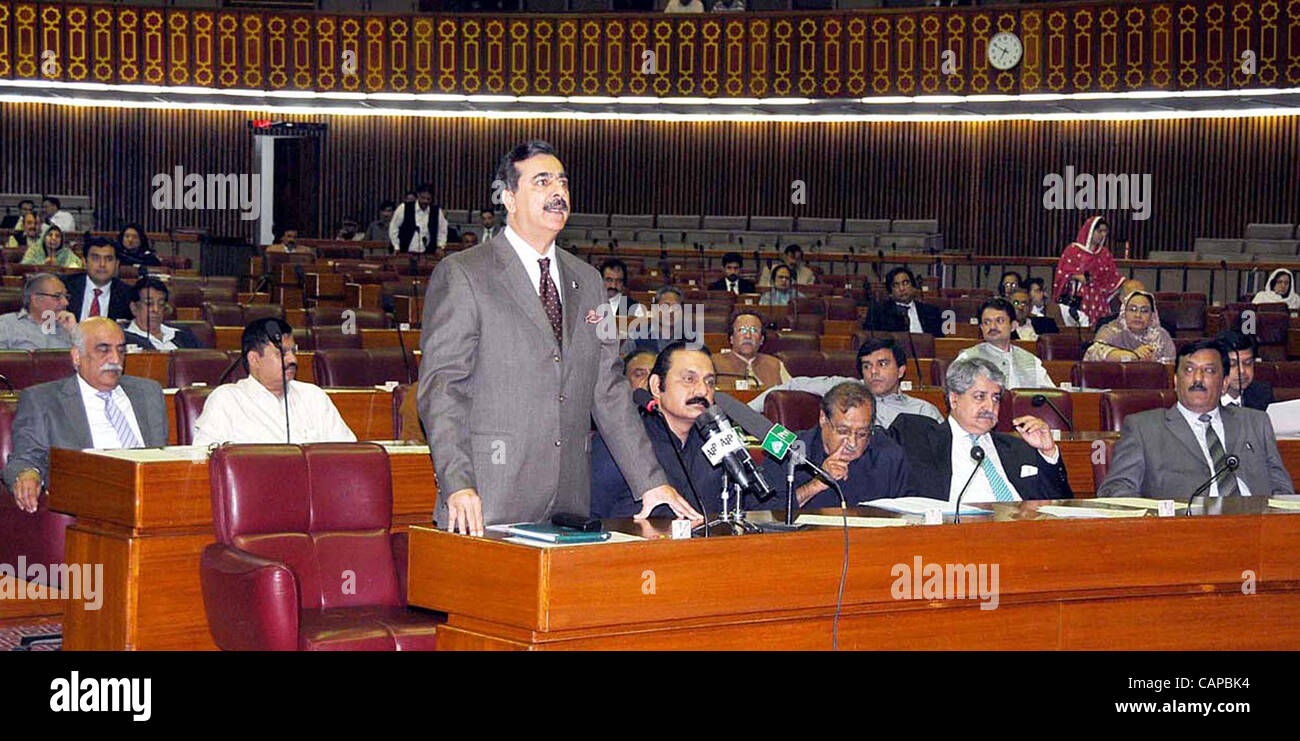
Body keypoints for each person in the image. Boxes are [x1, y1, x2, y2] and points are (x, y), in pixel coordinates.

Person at [419, 140, 699, 535]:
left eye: (563, 183)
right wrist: (457, 482)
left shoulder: (588, 281)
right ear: (509, 198)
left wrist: (650, 481)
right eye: (542, 181)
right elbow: (443, 389)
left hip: (568, 504)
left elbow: (608, 388)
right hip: (488, 499)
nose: (558, 193)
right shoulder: (464, 274)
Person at [4, 317, 168, 513]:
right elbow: (24, 458)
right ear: (76, 356)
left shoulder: (148, 392)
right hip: (89, 505)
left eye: (121, 350)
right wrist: (28, 474)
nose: (115, 359)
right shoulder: (43, 400)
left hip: (152, 498)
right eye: (104, 350)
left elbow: (162, 455)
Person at [1097, 339, 1294, 499]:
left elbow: (1281, 486)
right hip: (1184, 533)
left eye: (1209, 370)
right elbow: (1116, 488)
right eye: (1189, 370)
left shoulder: (1256, 422)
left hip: (1257, 529)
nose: (1197, 379)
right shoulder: (1143, 428)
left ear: (1225, 383)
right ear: (1175, 380)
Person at [592, 343, 765, 518]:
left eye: (710, 382)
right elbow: (593, 515)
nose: (703, 390)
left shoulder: (717, 441)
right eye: (689, 379)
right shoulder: (622, 442)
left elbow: (751, 506)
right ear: (656, 386)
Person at [888, 357, 1072, 503]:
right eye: (979, 397)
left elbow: (1060, 503)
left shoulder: (1017, 447)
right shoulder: (919, 440)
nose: (990, 406)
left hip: (1022, 535)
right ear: (954, 400)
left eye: (995, 398)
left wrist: (1048, 453)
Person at [191, 318, 356, 446]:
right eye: (282, 353)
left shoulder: (313, 396)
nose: (293, 359)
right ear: (255, 359)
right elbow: (204, 460)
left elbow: (346, 452)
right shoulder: (227, 400)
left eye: (293, 351)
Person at [760, 381, 911, 509]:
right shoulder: (788, 451)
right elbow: (760, 513)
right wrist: (816, 484)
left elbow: (913, 513)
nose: (852, 443)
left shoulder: (889, 455)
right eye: (843, 431)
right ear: (823, 419)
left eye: (862, 434)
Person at [745, 337, 943, 428]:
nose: (873, 372)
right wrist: (742, 413)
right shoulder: (846, 389)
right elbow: (792, 385)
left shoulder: (923, 410)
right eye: (866, 366)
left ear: (901, 370)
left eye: (882, 364)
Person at [955, 298, 1055, 389]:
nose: (993, 326)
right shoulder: (967, 358)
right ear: (981, 328)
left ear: (1013, 326)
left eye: (999, 321)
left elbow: (1052, 396)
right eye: (987, 322)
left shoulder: (1032, 361)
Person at [1052, 215, 1123, 327]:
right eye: (1099, 231)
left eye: (1105, 231)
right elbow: (1062, 273)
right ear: (1090, 230)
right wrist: (1076, 276)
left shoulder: (1104, 254)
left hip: (1098, 300)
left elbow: (1111, 276)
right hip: (1077, 299)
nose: (1103, 235)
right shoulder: (1073, 250)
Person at [1083, 290, 1176, 364]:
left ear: (1152, 316)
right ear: (1124, 313)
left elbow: (1170, 368)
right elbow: (1093, 353)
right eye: (1132, 309)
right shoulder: (1111, 330)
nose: (1138, 315)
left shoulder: (1161, 336)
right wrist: (1133, 356)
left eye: (1144, 311)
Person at [712, 309, 790, 389]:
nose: (748, 336)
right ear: (731, 338)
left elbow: (792, 393)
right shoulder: (713, 363)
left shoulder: (775, 364)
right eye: (742, 330)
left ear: (761, 340)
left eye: (754, 330)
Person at [0, 273, 77, 350]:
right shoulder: (6, 325)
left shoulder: (67, 327)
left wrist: (74, 331)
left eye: (66, 296)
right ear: (36, 300)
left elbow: (86, 358)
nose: (66, 302)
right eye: (57, 296)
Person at [123, 277, 202, 351]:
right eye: (149, 303)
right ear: (134, 308)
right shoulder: (123, 338)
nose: (156, 310)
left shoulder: (182, 333)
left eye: (161, 304)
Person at [864, 267, 945, 336]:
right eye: (896, 285)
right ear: (890, 291)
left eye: (905, 283)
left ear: (913, 286)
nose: (902, 289)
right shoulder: (878, 312)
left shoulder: (931, 312)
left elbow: (939, 343)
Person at [65, 237, 131, 321]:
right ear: (85, 262)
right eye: (96, 258)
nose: (102, 264)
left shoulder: (128, 295)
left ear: (117, 264)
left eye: (108, 259)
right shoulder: (66, 286)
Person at [1217, 330, 1273, 411]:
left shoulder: (1262, 394)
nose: (1242, 371)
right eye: (1233, 364)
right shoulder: (1203, 398)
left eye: (1248, 363)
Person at [389, 182, 447, 254]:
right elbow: (394, 227)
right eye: (423, 198)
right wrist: (396, 246)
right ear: (418, 195)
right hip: (405, 252)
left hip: (428, 253)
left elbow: (442, 230)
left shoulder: (436, 211)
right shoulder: (404, 208)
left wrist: (440, 246)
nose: (425, 201)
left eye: (428, 199)